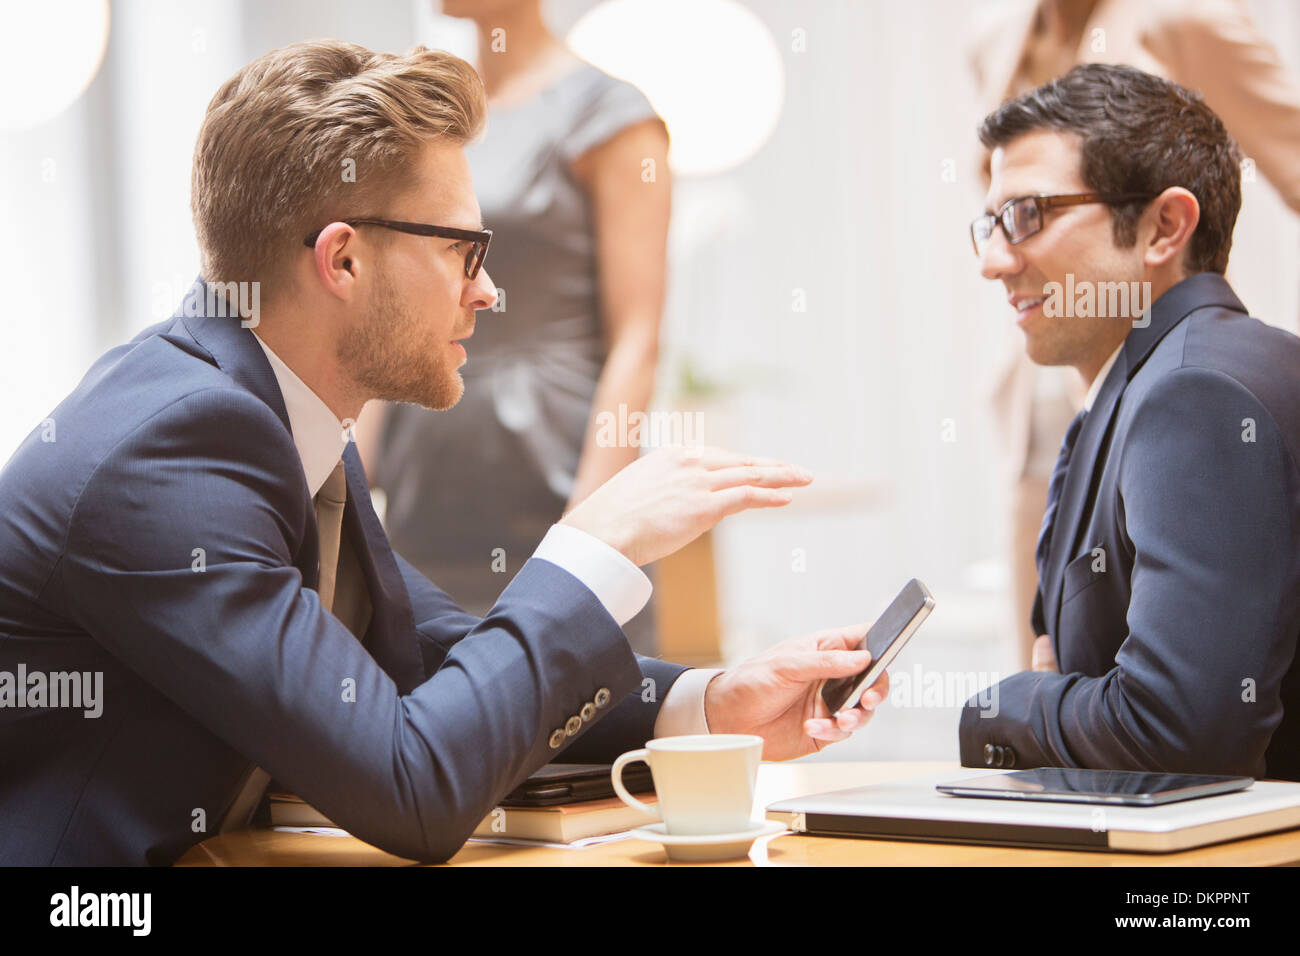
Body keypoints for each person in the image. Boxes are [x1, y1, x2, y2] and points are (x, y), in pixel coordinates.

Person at [0, 40, 888, 866]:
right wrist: (593, 545)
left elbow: (435, 663)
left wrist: (706, 702)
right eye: (464, 251)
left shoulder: (268, 415)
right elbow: (413, 785)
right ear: (342, 261)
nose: (489, 291)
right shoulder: (174, 454)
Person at [960, 63, 1300, 780]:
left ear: (1163, 227)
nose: (994, 261)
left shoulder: (1197, 394)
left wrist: (1011, 707)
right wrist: (1075, 705)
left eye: (1027, 215)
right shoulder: (1156, 382)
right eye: (989, 224)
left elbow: (1180, 734)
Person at [359, 0, 670, 656]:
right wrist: (340, 492)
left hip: (552, 473)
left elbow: (638, 337)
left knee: (577, 730)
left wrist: (590, 537)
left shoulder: (608, 113)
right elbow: (394, 305)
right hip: (430, 490)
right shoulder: (432, 115)